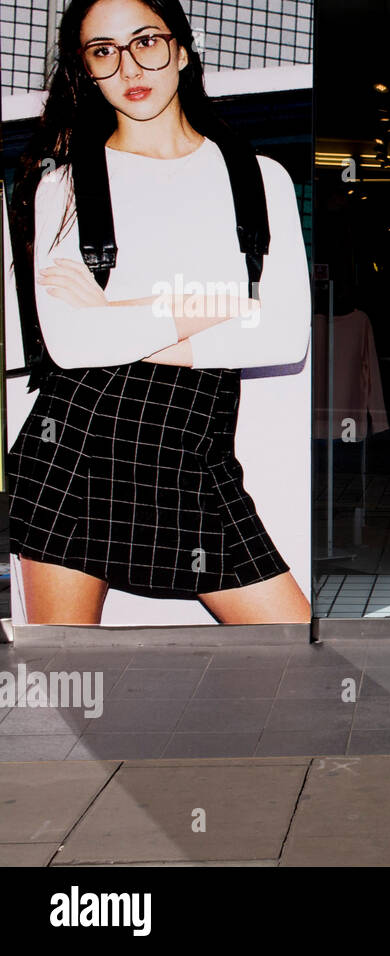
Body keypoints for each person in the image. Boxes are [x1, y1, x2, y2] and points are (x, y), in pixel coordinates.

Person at [5, 0, 311, 624]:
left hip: (195, 460)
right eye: (103, 51)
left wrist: (120, 313)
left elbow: (281, 334)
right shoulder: (61, 185)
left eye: (146, 41)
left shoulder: (259, 178)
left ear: (183, 50)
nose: (129, 65)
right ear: (86, 70)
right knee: (71, 692)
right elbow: (73, 346)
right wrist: (227, 303)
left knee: (291, 659)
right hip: (76, 457)